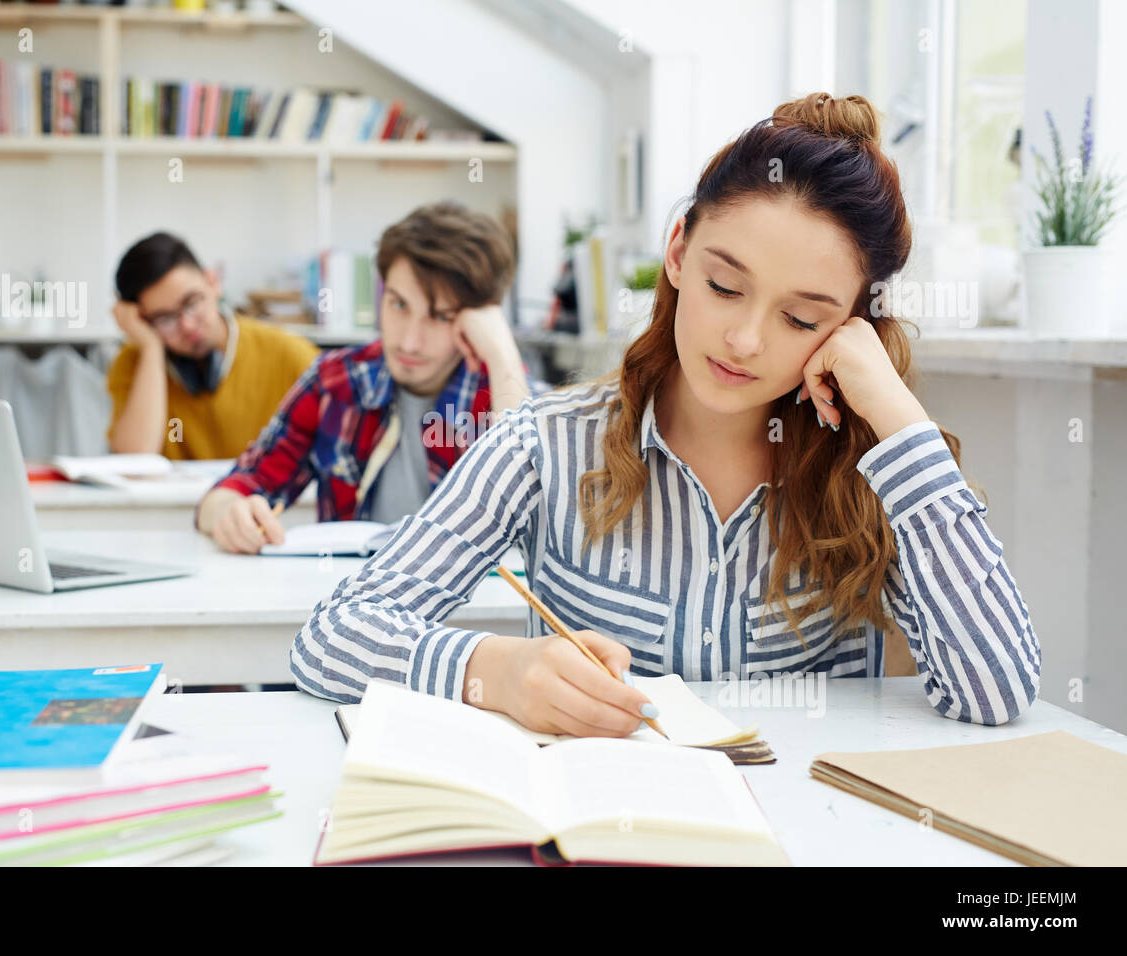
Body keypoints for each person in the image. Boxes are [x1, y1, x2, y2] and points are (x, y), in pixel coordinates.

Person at [288, 93, 1041, 735]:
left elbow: (997, 691)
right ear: (679, 253)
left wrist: (899, 419)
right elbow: (329, 639)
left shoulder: (872, 468)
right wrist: (495, 669)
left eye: (802, 320)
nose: (745, 340)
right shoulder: (543, 444)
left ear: (852, 328)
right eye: (724, 286)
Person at [196, 202, 542, 553]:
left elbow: (540, 523)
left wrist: (502, 354)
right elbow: (227, 492)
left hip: (475, 608)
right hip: (349, 603)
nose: (409, 341)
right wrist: (231, 513)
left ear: (481, 318)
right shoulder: (336, 381)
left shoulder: (508, 388)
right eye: (399, 305)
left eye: (440, 317)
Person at [106, 232, 320, 460]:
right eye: (164, 319)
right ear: (142, 320)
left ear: (213, 282)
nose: (187, 325)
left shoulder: (289, 355)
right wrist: (151, 349)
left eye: (191, 303)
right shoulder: (133, 363)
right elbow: (134, 461)